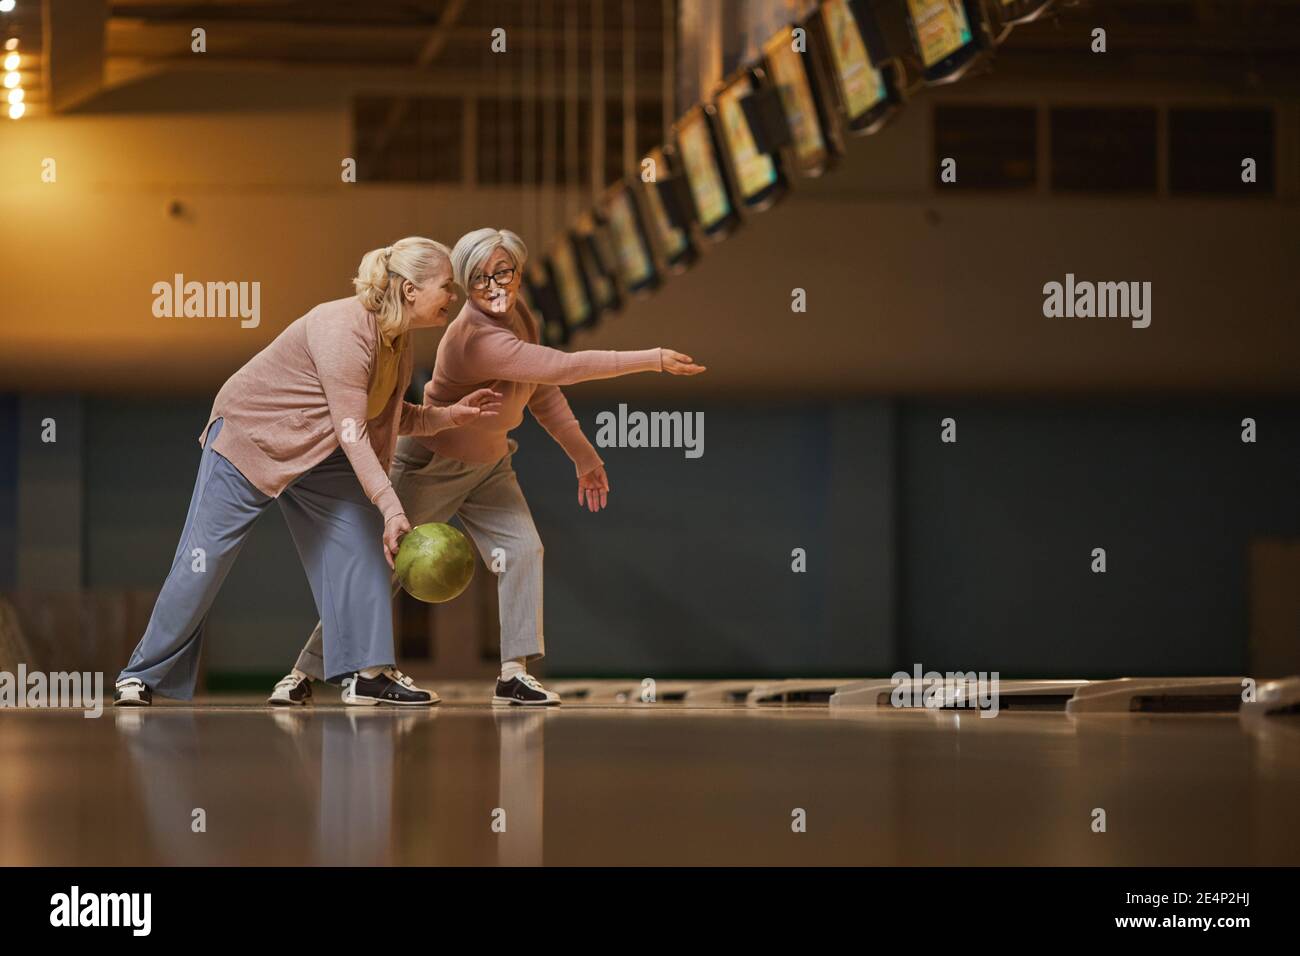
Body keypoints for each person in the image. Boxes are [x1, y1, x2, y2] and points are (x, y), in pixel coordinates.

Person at [269, 227, 705, 708]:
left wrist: (585, 456)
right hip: (434, 462)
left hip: (492, 463)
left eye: (503, 272)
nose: (494, 286)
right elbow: (564, 368)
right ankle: (302, 673)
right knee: (380, 570)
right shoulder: (474, 337)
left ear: (518, 271)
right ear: (464, 284)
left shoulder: (521, 317)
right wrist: (652, 359)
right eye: (478, 279)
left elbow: (543, 391)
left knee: (523, 550)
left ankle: (513, 675)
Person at [113, 237, 503, 707]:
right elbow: (353, 430)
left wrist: (450, 416)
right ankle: (140, 675)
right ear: (410, 291)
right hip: (252, 439)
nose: (454, 299)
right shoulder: (343, 329)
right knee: (205, 559)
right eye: (447, 287)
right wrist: (392, 504)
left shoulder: (396, 343)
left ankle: (367, 674)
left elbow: (386, 418)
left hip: (318, 451)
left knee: (361, 541)